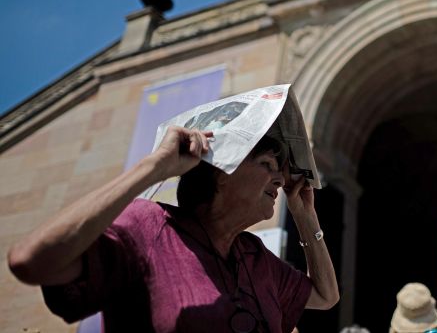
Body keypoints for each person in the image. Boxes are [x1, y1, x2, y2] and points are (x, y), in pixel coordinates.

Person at [7, 125, 339, 332]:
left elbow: (326, 297)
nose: (280, 179)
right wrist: (154, 168)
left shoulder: (254, 255)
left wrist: (306, 216)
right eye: (267, 165)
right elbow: (30, 260)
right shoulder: (148, 225)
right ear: (221, 173)